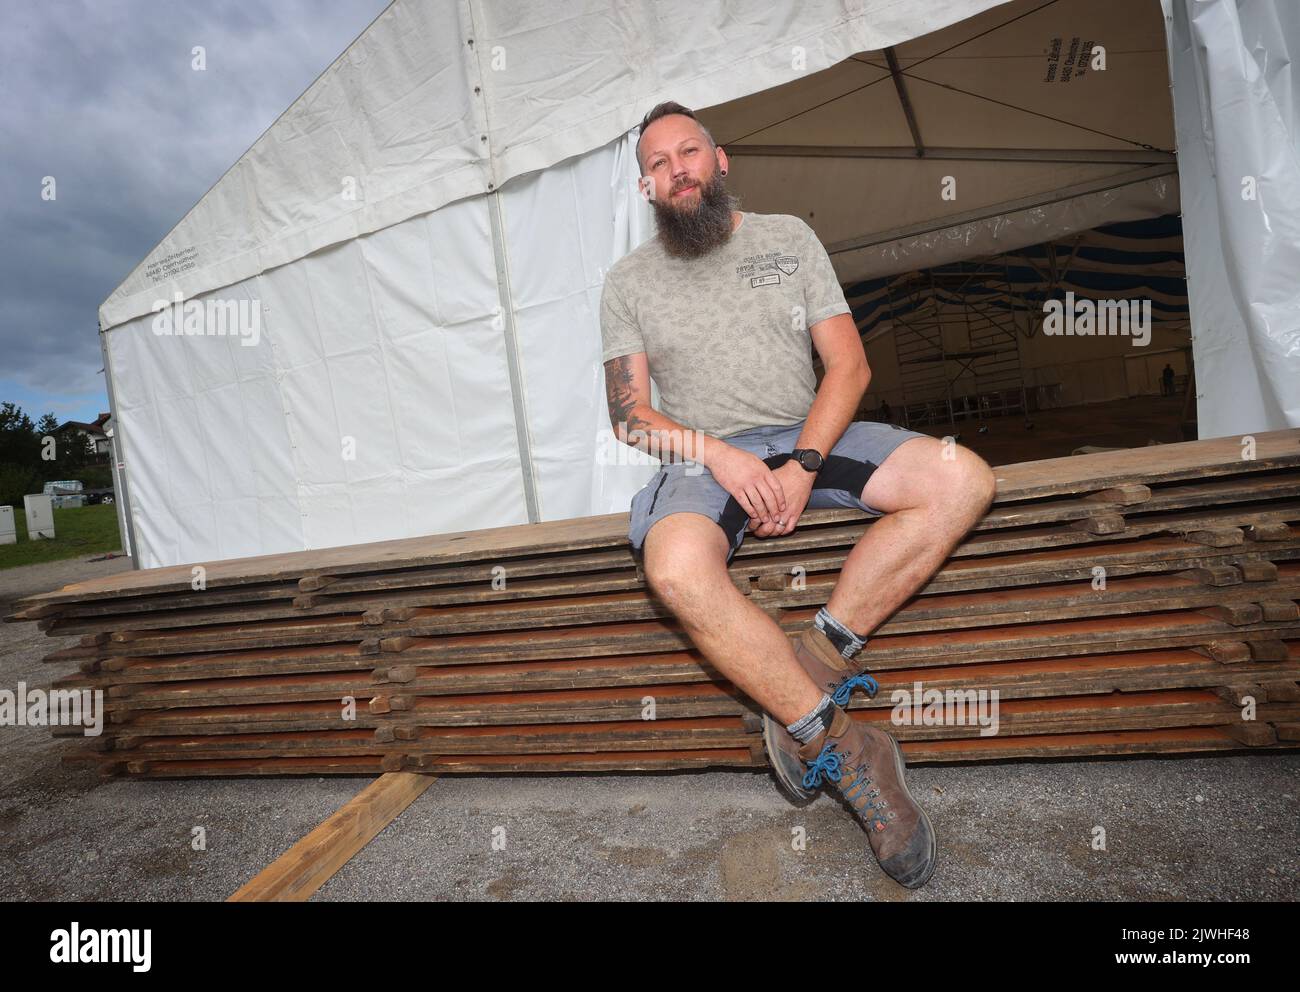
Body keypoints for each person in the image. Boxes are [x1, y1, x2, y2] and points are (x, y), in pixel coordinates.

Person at [599, 101, 996, 889]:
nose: (676, 168)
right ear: (646, 186)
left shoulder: (788, 237)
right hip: (700, 455)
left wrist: (805, 462)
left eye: (689, 151)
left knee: (963, 476)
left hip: (808, 428)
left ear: (721, 161)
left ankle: (814, 657)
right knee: (675, 568)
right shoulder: (627, 281)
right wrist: (717, 455)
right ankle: (843, 745)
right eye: (658, 162)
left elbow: (848, 367)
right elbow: (630, 415)